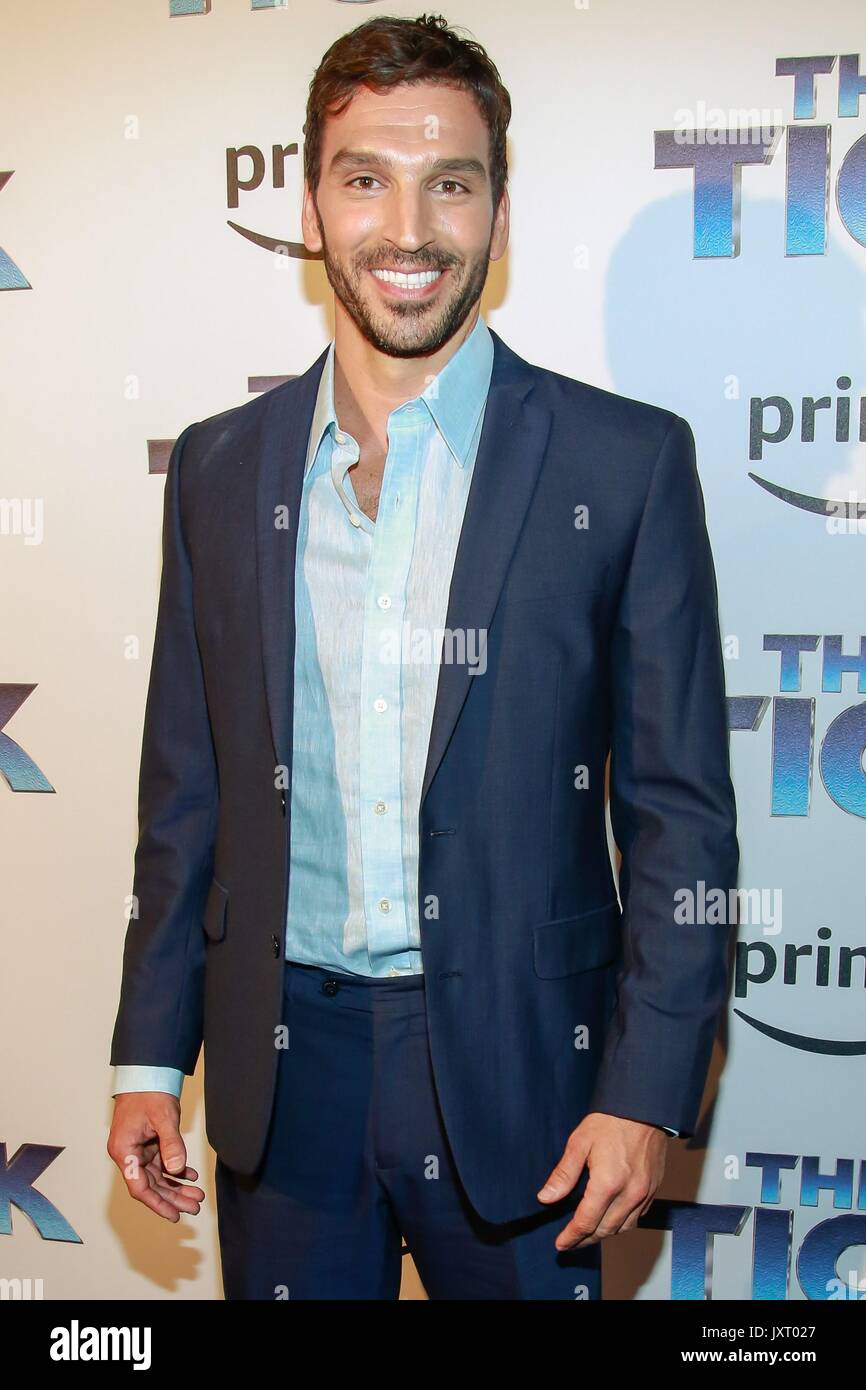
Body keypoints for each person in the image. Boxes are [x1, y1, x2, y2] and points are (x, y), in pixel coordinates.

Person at [107, 12, 739, 1300]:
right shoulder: (221, 469)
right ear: (312, 205)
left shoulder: (622, 465)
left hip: (529, 1082)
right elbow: (186, 793)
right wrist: (145, 1059)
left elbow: (679, 818)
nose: (408, 228)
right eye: (366, 178)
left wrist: (647, 1091)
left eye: (450, 181)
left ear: (500, 214)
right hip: (284, 1080)